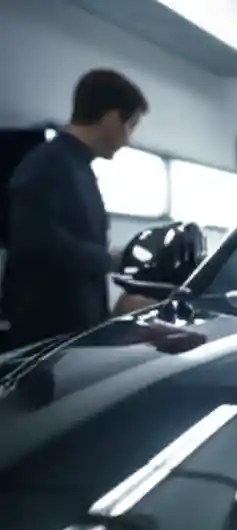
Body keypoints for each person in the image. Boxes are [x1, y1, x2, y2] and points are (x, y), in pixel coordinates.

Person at [1, 69, 147, 350]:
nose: (128, 139)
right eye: (131, 125)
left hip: (73, 337)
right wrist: (107, 260)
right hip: (44, 343)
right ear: (111, 117)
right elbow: (35, 242)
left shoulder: (77, 167)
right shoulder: (47, 164)